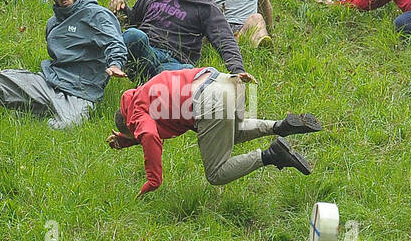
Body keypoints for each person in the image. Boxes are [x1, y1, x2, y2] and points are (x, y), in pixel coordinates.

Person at [106, 68, 322, 194]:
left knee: (216, 174)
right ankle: (281, 126)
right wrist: (130, 140)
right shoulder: (145, 90)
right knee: (228, 134)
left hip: (209, 102)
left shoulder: (136, 116)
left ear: (128, 123)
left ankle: (272, 155)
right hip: (226, 81)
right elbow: (148, 128)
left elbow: (149, 135)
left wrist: (153, 182)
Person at [108, 0, 247, 80]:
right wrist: (122, 9)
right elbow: (133, 23)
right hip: (147, 53)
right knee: (134, 35)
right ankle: (111, 70)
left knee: (187, 72)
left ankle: (157, 83)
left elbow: (225, 40)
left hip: (175, 63)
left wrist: (238, 71)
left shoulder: (206, 6)